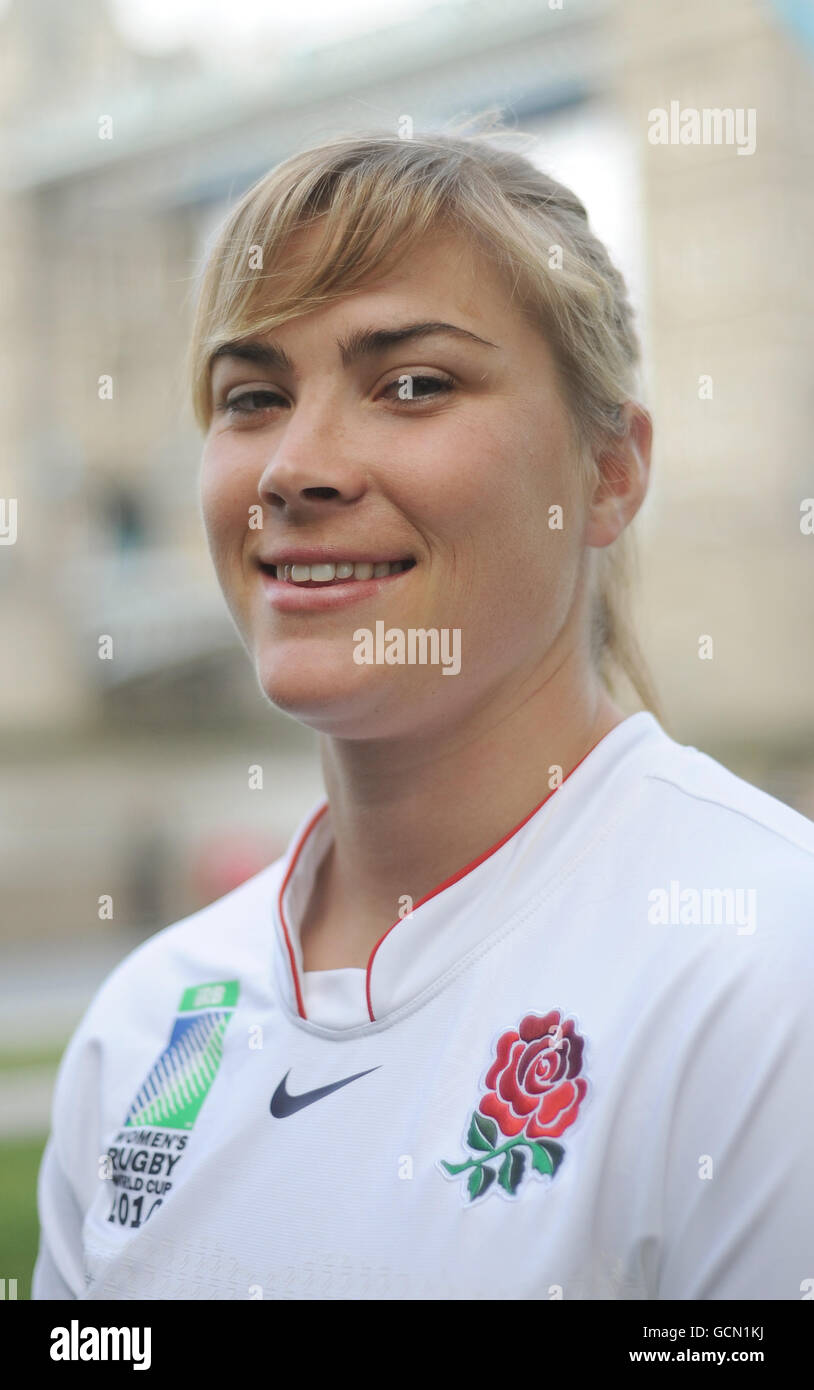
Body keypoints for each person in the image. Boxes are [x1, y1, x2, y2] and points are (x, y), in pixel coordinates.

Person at [32, 124, 814, 1301]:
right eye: (253, 395)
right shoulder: (148, 1022)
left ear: (607, 473)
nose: (296, 467)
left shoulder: (768, 970)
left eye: (411, 384)